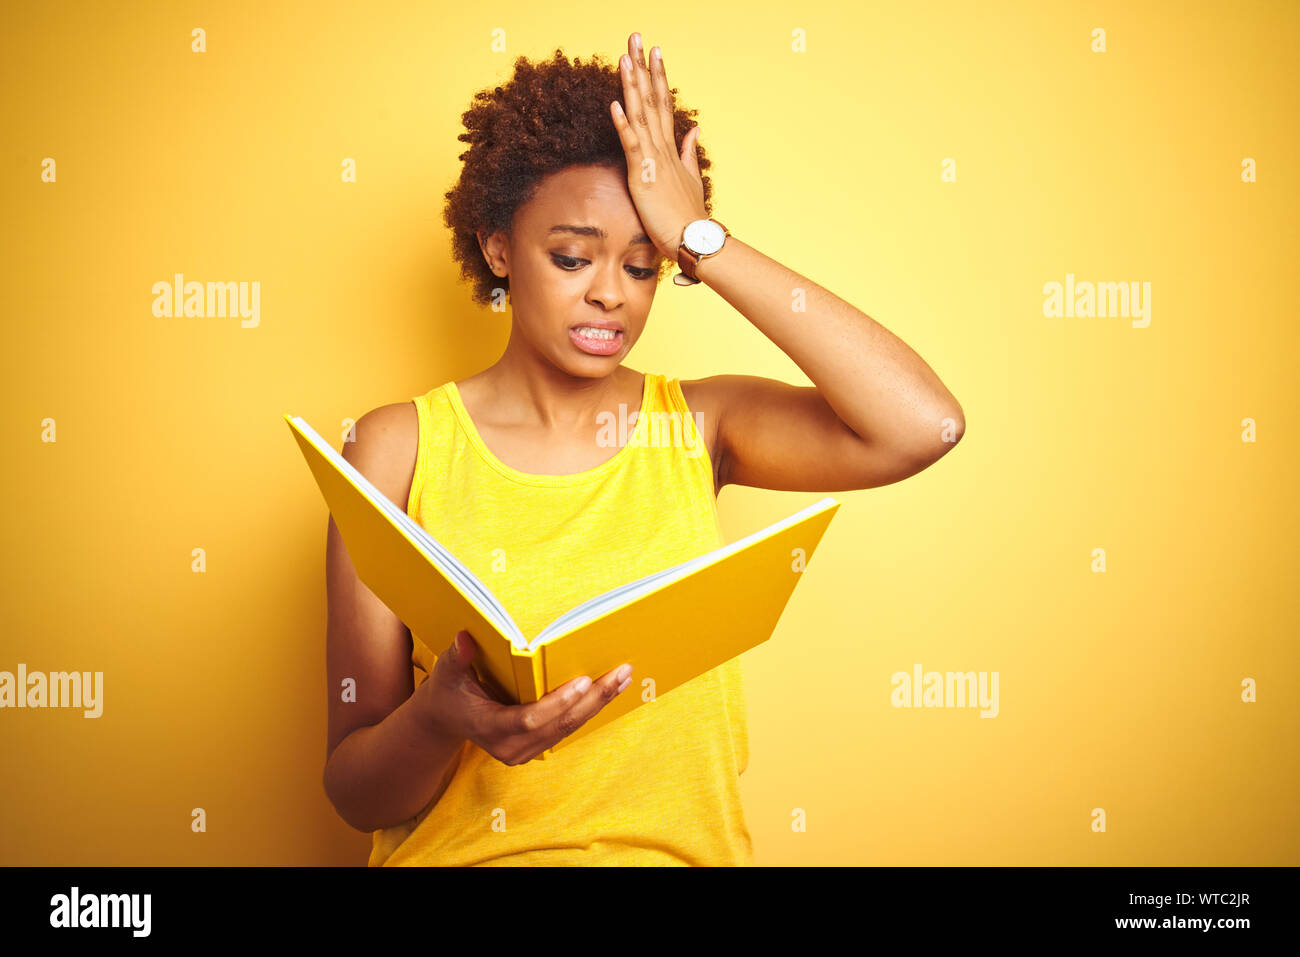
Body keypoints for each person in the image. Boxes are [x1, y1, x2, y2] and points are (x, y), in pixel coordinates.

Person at [321, 32, 965, 866]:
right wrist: (442, 718)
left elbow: (924, 425)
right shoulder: (396, 447)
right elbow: (352, 788)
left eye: (642, 266)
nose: (608, 294)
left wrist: (700, 235)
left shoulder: (699, 425)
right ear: (496, 248)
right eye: (571, 256)